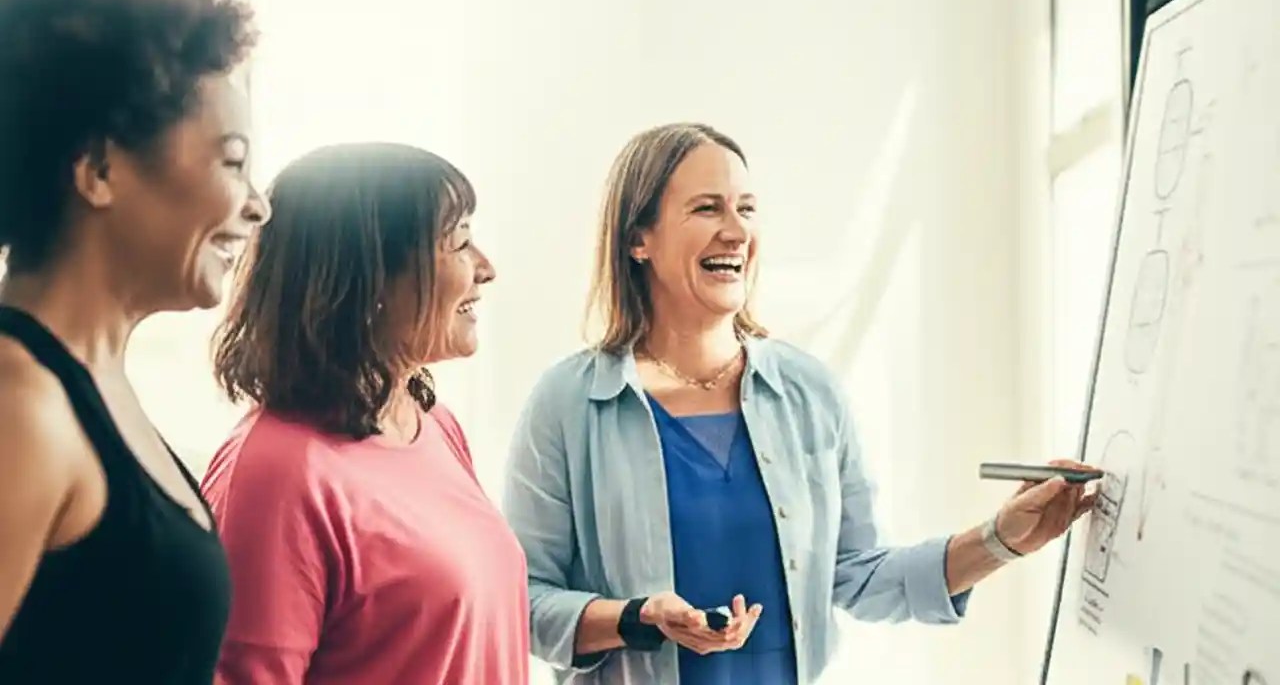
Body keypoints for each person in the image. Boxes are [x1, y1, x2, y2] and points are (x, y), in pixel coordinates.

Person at [501, 122, 1100, 685]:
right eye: (707, 207)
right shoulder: (569, 404)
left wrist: (1001, 539)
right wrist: (638, 618)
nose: (736, 231)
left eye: (747, 208)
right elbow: (521, 600)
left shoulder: (809, 392)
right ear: (638, 240)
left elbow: (860, 574)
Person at [0, 0, 264, 681]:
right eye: (233, 162)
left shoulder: (95, 383)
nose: (257, 206)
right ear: (98, 169)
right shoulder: (19, 404)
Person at [202, 142, 529, 685]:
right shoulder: (276, 473)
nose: (486, 268)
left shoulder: (433, 425)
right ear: (370, 278)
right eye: (461, 242)